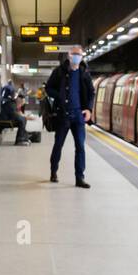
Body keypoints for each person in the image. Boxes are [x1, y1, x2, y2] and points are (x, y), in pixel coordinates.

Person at [45, 45, 93, 187]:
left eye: (79, 54)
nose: (76, 56)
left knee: (80, 147)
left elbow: (91, 92)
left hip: (79, 116)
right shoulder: (59, 71)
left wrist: (89, 109)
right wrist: (60, 96)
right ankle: (53, 171)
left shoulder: (84, 73)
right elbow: (48, 88)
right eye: (74, 54)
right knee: (58, 145)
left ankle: (80, 178)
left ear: (82, 57)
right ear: (69, 55)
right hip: (63, 115)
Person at [0, 79, 29, 146]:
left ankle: (24, 138)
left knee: (23, 119)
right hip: (4, 121)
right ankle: (20, 140)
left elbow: (14, 113)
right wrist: (23, 117)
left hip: (5, 119)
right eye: (14, 94)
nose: (15, 95)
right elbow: (14, 115)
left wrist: (22, 116)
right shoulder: (10, 103)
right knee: (22, 120)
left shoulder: (9, 102)